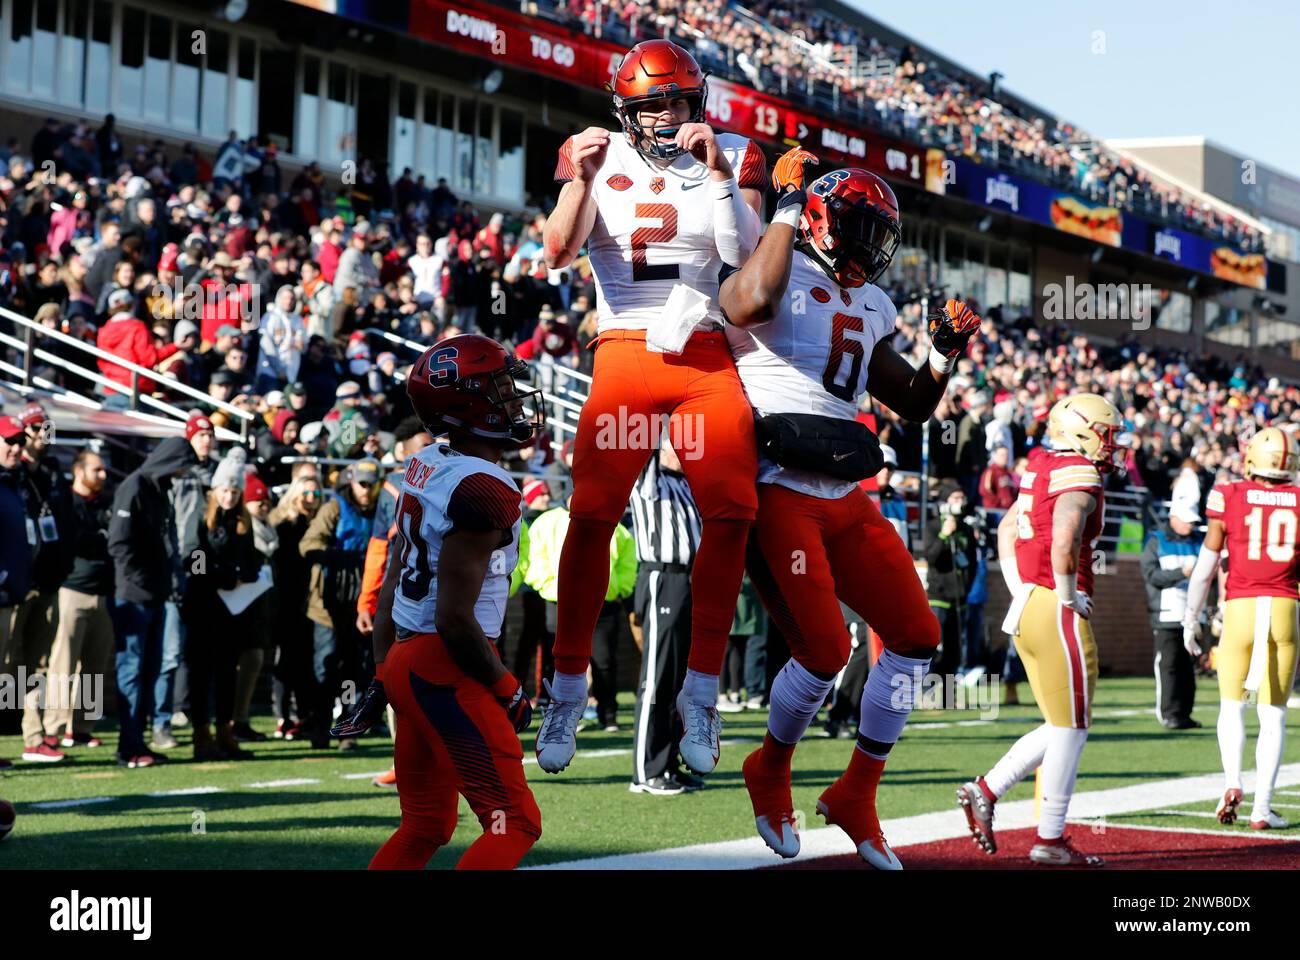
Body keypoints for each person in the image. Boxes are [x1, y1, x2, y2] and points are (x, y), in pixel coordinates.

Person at [719, 158, 973, 866]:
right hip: (778, 484)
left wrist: (943, 358)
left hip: (844, 490)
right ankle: (768, 766)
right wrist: (787, 204)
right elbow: (751, 302)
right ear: (821, 219)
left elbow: (914, 403)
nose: (868, 248)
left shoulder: (874, 305)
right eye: (859, 229)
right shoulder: (773, 258)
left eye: (878, 236)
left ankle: (857, 791)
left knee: (918, 637)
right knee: (825, 652)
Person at [538, 38, 768, 776]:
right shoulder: (593, 150)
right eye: (652, 105)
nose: (668, 116)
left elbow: (749, 257)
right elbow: (554, 251)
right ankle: (568, 687)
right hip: (625, 346)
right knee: (593, 514)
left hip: (704, 351)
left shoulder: (733, 151)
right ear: (624, 110)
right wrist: (581, 179)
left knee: (733, 511)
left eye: (678, 101)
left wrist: (721, 174)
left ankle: (701, 691)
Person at [345, 334, 544, 869]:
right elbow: (454, 620)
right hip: (448, 668)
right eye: (501, 389)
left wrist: (384, 668)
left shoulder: (428, 464)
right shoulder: (484, 488)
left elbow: (390, 584)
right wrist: (506, 688)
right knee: (514, 822)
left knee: (425, 824)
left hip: (409, 663)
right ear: (466, 405)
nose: (514, 400)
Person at [957, 392, 1123, 867]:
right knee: (1073, 729)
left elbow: (1007, 528)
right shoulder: (1078, 471)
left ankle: (985, 789)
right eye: (1105, 434)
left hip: (1032, 605)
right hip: (1055, 609)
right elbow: (1067, 538)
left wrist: (1020, 589)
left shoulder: (1042, 464)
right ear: (1080, 431)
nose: (1111, 445)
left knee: (1060, 725)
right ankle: (1049, 839)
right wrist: (1068, 595)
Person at [1183, 427, 1300, 830]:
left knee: (1233, 705)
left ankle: (1232, 781)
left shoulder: (1230, 494)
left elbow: (1206, 567)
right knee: (1273, 714)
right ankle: (1262, 808)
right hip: (1285, 608)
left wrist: (1190, 616)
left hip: (1240, 609)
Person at [108, 436, 197, 768]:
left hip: (157, 595)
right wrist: (143, 581)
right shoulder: (134, 487)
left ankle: (138, 741)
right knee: (131, 671)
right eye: (181, 465)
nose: (182, 473)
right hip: (134, 597)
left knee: (149, 671)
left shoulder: (160, 490)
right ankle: (128, 746)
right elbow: (119, 544)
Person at [354, 417, 434, 785]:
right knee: (396, 680)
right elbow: (378, 550)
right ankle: (405, 762)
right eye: (421, 448)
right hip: (401, 599)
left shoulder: (446, 481)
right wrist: (365, 601)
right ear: (402, 452)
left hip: (441, 598)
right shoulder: (390, 490)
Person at [625, 440, 705, 795]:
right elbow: (638, 440)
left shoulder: (686, 484)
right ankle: (646, 771)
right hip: (662, 578)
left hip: (687, 581)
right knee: (656, 679)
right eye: (678, 447)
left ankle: (668, 764)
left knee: (677, 682)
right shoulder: (649, 478)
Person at [184, 447, 265, 760]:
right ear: (214, 490)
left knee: (227, 673)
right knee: (202, 675)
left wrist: (249, 571)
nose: (229, 496)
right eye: (224, 490)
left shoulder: (241, 522)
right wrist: (221, 576)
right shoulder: (199, 517)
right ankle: (201, 734)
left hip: (232, 611)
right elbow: (193, 558)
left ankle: (224, 732)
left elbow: (248, 558)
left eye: (234, 491)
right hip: (203, 608)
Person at [300, 457, 381, 749]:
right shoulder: (334, 507)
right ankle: (319, 726)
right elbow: (309, 542)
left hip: (363, 604)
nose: (366, 490)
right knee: (326, 665)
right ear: (352, 481)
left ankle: (347, 728)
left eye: (372, 485)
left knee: (355, 670)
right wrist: (333, 557)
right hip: (328, 603)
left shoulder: (381, 510)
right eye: (362, 484)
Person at [12, 404, 76, 762]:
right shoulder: (12, 474)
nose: (41, 435)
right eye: (35, 428)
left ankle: (36, 733)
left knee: (37, 663)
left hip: (48, 579)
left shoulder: (52, 473)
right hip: (17, 581)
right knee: (9, 663)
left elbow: (65, 523)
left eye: (45, 427)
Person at [44, 449, 114, 749]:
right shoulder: (65, 502)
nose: (103, 475)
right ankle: (54, 728)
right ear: (78, 470)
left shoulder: (106, 503)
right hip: (72, 589)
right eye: (96, 470)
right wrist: (98, 537)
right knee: (63, 665)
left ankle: (82, 727)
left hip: (103, 591)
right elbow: (77, 540)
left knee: (95, 667)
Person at [268, 472, 322, 740]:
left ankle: (304, 714)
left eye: (316, 494)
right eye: (306, 493)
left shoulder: (320, 523)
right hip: (286, 602)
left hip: (311, 602)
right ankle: (282, 716)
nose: (311, 499)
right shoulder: (284, 523)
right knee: (285, 660)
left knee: (305, 662)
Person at [1140, 498, 1203, 730]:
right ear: (1173, 518)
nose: (1190, 526)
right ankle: (1169, 713)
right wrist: (1181, 573)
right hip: (1166, 613)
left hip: (1194, 615)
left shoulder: (1200, 541)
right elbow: (1151, 576)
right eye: (1187, 521)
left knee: (1188, 667)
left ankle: (1184, 713)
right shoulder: (1156, 541)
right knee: (1169, 664)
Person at [0, 416, 34, 770]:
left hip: (11, 596)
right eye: (9, 440)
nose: (16, 447)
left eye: (20, 442)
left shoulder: (13, 483)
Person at [923, 484, 979, 679]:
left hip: (960, 598)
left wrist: (967, 587)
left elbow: (972, 562)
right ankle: (928, 690)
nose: (959, 502)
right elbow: (931, 557)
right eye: (955, 498)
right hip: (938, 597)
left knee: (954, 648)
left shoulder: (966, 528)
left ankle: (948, 691)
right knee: (934, 646)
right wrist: (944, 535)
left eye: (961, 498)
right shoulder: (932, 526)